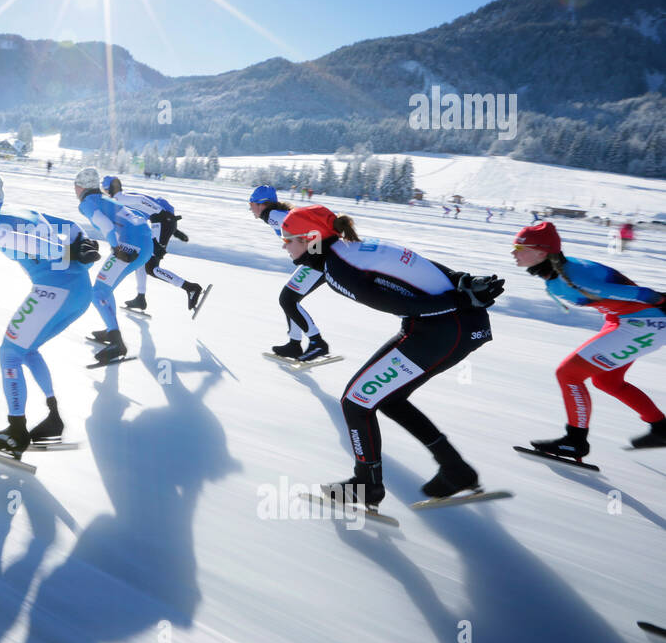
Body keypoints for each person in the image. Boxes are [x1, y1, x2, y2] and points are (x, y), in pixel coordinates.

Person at [280, 204, 504, 503]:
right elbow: (424, 266)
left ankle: (366, 485)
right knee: (389, 399)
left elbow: (403, 306)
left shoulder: (339, 269)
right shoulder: (357, 246)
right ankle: (455, 468)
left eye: (288, 239)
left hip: (442, 330)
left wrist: (461, 299)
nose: (283, 245)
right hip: (455, 326)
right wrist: (464, 283)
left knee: (356, 402)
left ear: (311, 238)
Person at [0, 168, 100, 457]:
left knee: (9, 353)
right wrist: (83, 244)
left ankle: (15, 432)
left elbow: (28, 243)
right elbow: (69, 225)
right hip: (78, 290)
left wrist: (68, 254)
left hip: (54, 289)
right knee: (28, 350)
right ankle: (52, 418)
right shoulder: (18, 209)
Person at [511, 222, 666, 454]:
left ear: (542, 253)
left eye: (520, 248)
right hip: (625, 320)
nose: (514, 252)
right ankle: (661, 428)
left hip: (645, 325)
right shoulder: (562, 270)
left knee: (568, 374)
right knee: (606, 381)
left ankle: (575, 440)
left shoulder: (568, 280)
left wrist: (662, 303)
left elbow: (642, 294)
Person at [74, 167, 153, 366]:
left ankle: (117, 342)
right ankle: (111, 331)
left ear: (82, 187)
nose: (74, 190)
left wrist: (117, 247)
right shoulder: (107, 200)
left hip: (128, 246)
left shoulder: (88, 202)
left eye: (75, 186)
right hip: (144, 244)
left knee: (98, 292)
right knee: (104, 289)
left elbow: (105, 224)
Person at [248, 184, 332, 362]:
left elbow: (310, 228)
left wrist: (315, 254)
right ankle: (294, 344)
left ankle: (317, 342)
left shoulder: (271, 215)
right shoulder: (274, 214)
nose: (250, 209)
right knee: (290, 299)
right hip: (319, 259)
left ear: (262, 204)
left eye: (251, 204)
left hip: (320, 261)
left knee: (287, 300)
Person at [101, 175, 204, 314]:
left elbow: (143, 202)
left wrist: (159, 234)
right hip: (162, 222)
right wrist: (172, 228)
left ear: (109, 189)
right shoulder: (123, 197)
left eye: (104, 189)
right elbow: (145, 212)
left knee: (152, 268)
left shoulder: (119, 198)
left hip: (162, 221)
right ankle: (140, 297)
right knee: (142, 261)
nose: (104, 192)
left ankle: (191, 288)